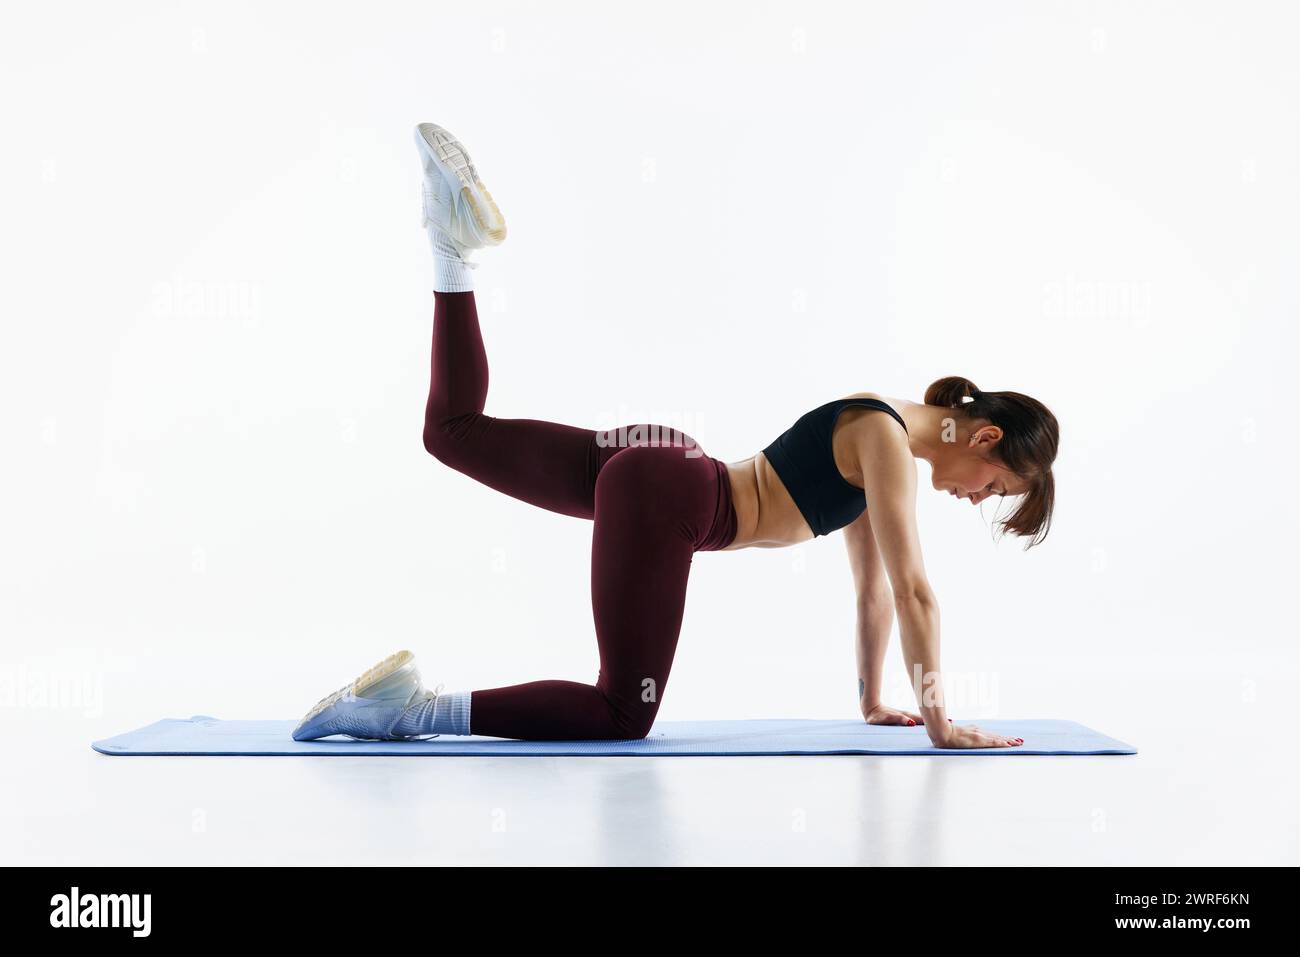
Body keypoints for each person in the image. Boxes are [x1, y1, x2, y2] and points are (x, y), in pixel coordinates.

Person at [292, 123, 1059, 749]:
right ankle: (407, 711)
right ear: (985, 437)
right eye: (995, 488)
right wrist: (941, 724)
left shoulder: (877, 426)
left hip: (662, 461)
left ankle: (450, 250)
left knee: (452, 431)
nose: (976, 499)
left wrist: (873, 700)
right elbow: (916, 591)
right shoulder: (886, 444)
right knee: (623, 712)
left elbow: (873, 594)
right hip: (676, 497)